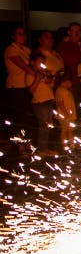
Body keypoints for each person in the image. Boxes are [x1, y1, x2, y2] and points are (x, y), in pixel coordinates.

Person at [4, 26, 36, 154]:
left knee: (27, 117)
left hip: (27, 86)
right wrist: (38, 75)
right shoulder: (11, 50)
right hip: (15, 87)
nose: (22, 36)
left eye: (23, 34)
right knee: (18, 118)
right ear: (13, 36)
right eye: (19, 34)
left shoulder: (27, 50)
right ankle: (19, 145)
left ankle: (27, 143)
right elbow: (24, 66)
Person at [26, 52, 57, 156]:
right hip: (39, 103)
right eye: (39, 62)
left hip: (48, 101)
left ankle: (45, 148)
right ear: (32, 62)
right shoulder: (30, 75)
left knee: (48, 126)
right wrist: (37, 78)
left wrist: (52, 77)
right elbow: (31, 90)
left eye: (43, 62)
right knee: (43, 126)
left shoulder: (44, 74)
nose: (42, 64)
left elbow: (50, 86)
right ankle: (41, 149)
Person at [54, 73, 77, 150]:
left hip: (70, 115)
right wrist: (66, 114)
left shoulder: (66, 90)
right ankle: (65, 145)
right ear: (65, 81)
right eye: (70, 82)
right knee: (64, 130)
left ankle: (71, 144)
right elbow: (60, 103)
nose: (71, 84)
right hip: (64, 115)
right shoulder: (60, 90)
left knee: (70, 130)